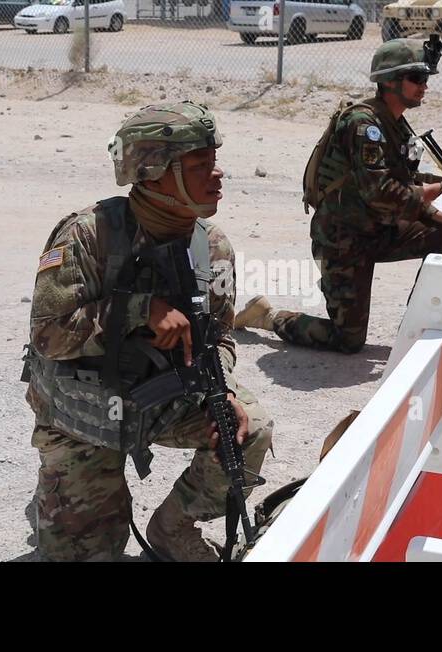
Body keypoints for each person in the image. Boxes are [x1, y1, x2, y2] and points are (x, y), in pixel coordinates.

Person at [22, 101, 272, 562]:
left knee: (247, 428)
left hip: (158, 401)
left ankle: (172, 529)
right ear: (154, 172)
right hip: (84, 417)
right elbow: (47, 335)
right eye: (201, 165)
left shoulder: (211, 246)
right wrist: (139, 311)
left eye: (215, 163)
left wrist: (227, 391)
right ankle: (62, 495)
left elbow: (219, 338)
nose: (217, 176)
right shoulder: (88, 236)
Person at [235, 38, 442, 354]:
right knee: (348, 340)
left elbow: (404, 180)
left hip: (380, 229)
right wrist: (435, 194)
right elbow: (380, 191)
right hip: (344, 240)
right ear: (390, 82)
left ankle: (417, 324)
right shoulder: (362, 124)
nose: (424, 86)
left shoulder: (395, 125)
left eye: (425, 79)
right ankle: (269, 317)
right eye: (416, 79)